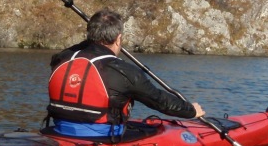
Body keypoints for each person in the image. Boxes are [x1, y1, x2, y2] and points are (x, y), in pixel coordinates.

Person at [46, 9, 205, 139]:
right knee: (152, 131)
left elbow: (73, 50)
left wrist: (90, 40)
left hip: (60, 129)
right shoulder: (124, 72)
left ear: (90, 36)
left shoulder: (62, 59)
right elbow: (159, 101)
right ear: (118, 38)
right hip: (101, 135)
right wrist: (190, 110)